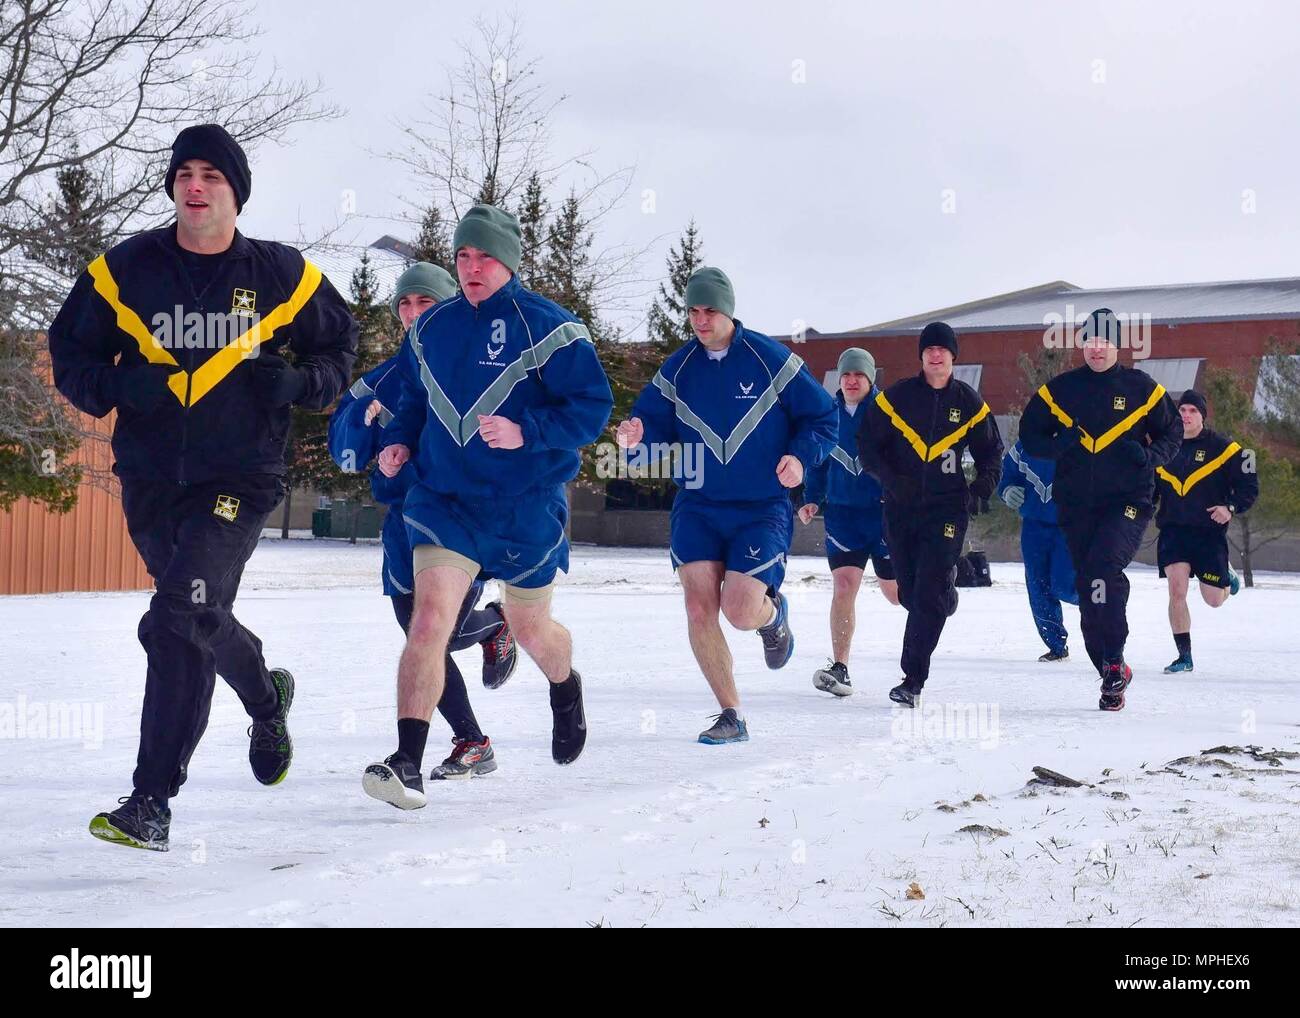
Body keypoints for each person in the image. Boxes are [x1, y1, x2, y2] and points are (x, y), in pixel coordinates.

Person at [49, 124, 358, 850]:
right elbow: (71, 355)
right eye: (185, 173)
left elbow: (339, 348)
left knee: (176, 617)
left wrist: (301, 382)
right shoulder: (123, 270)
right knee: (198, 610)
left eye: (211, 176)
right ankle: (264, 696)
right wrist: (123, 384)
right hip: (152, 478)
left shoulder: (284, 275)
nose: (195, 186)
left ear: (235, 194)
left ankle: (151, 801)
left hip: (238, 478)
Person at [364, 205, 613, 808]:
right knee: (428, 622)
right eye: (463, 256)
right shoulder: (430, 329)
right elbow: (417, 400)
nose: (472, 268)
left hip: (525, 507)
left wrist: (528, 429)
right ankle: (407, 762)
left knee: (531, 629)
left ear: (510, 263)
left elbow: (592, 408)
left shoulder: (553, 329)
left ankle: (565, 683)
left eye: (485, 257)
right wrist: (399, 438)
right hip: (447, 502)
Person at [618, 267, 837, 743]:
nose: (700, 320)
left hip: (760, 507)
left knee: (738, 610)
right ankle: (730, 714)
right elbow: (650, 425)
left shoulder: (770, 359)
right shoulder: (676, 369)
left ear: (729, 310)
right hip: (697, 504)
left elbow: (822, 417)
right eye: (693, 311)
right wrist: (636, 437)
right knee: (699, 608)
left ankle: (772, 617)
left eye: (709, 310)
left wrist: (801, 458)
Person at [327, 262, 517, 780]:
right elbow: (343, 453)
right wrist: (359, 424)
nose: (413, 314)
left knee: (431, 630)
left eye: (424, 304)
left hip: (460, 520)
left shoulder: (479, 364)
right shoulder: (383, 380)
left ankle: (493, 625)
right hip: (403, 525)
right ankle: (473, 741)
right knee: (422, 637)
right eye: (405, 305)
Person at [1019, 308, 1181, 710]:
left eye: (1104, 341)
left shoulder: (1142, 388)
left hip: (1128, 501)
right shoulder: (1061, 390)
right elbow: (1029, 434)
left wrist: (1150, 456)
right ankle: (1111, 668)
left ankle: (1113, 659)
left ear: (1117, 345)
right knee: (1090, 586)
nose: (1096, 348)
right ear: (1081, 344)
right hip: (1077, 505)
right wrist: (1060, 444)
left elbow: (1172, 430)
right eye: (1089, 341)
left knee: (1104, 569)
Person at [858, 321, 1003, 707]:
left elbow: (992, 453)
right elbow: (868, 447)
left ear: (953, 356)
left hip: (948, 509)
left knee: (928, 589)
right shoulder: (896, 399)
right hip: (901, 508)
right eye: (929, 349)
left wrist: (981, 488)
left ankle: (912, 679)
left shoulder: (969, 403)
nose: (935, 355)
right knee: (910, 592)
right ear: (921, 355)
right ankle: (945, 596)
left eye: (942, 349)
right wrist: (891, 479)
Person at [797, 347, 899, 697]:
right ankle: (840, 668)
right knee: (843, 586)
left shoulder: (888, 412)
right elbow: (817, 462)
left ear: (870, 379)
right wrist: (812, 498)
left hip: (884, 516)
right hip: (842, 517)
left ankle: (937, 595)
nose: (852, 380)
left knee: (895, 594)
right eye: (847, 375)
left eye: (859, 374)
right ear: (839, 379)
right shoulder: (827, 414)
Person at [1154, 389, 1257, 673]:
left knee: (1213, 600)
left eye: (1192, 411)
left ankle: (1227, 575)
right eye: (1182, 410)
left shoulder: (1224, 448)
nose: (1186, 415)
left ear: (1202, 416)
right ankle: (1184, 657)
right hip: (1174, 532)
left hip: (1208, 533)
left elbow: (1249, 486)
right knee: (1177, 590)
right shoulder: (1164, 447)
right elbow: (1148, 488)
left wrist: (1231, 507)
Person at [996, 439, 1078, 661]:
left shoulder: (1083, 439)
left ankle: (1100, 604)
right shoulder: (1025, 444)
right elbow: (1005, 474)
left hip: (1071, 524)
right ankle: (1056, 646)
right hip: (1034, 524)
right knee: (1037, 584)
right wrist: (1007, 490)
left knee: (1064, 583)